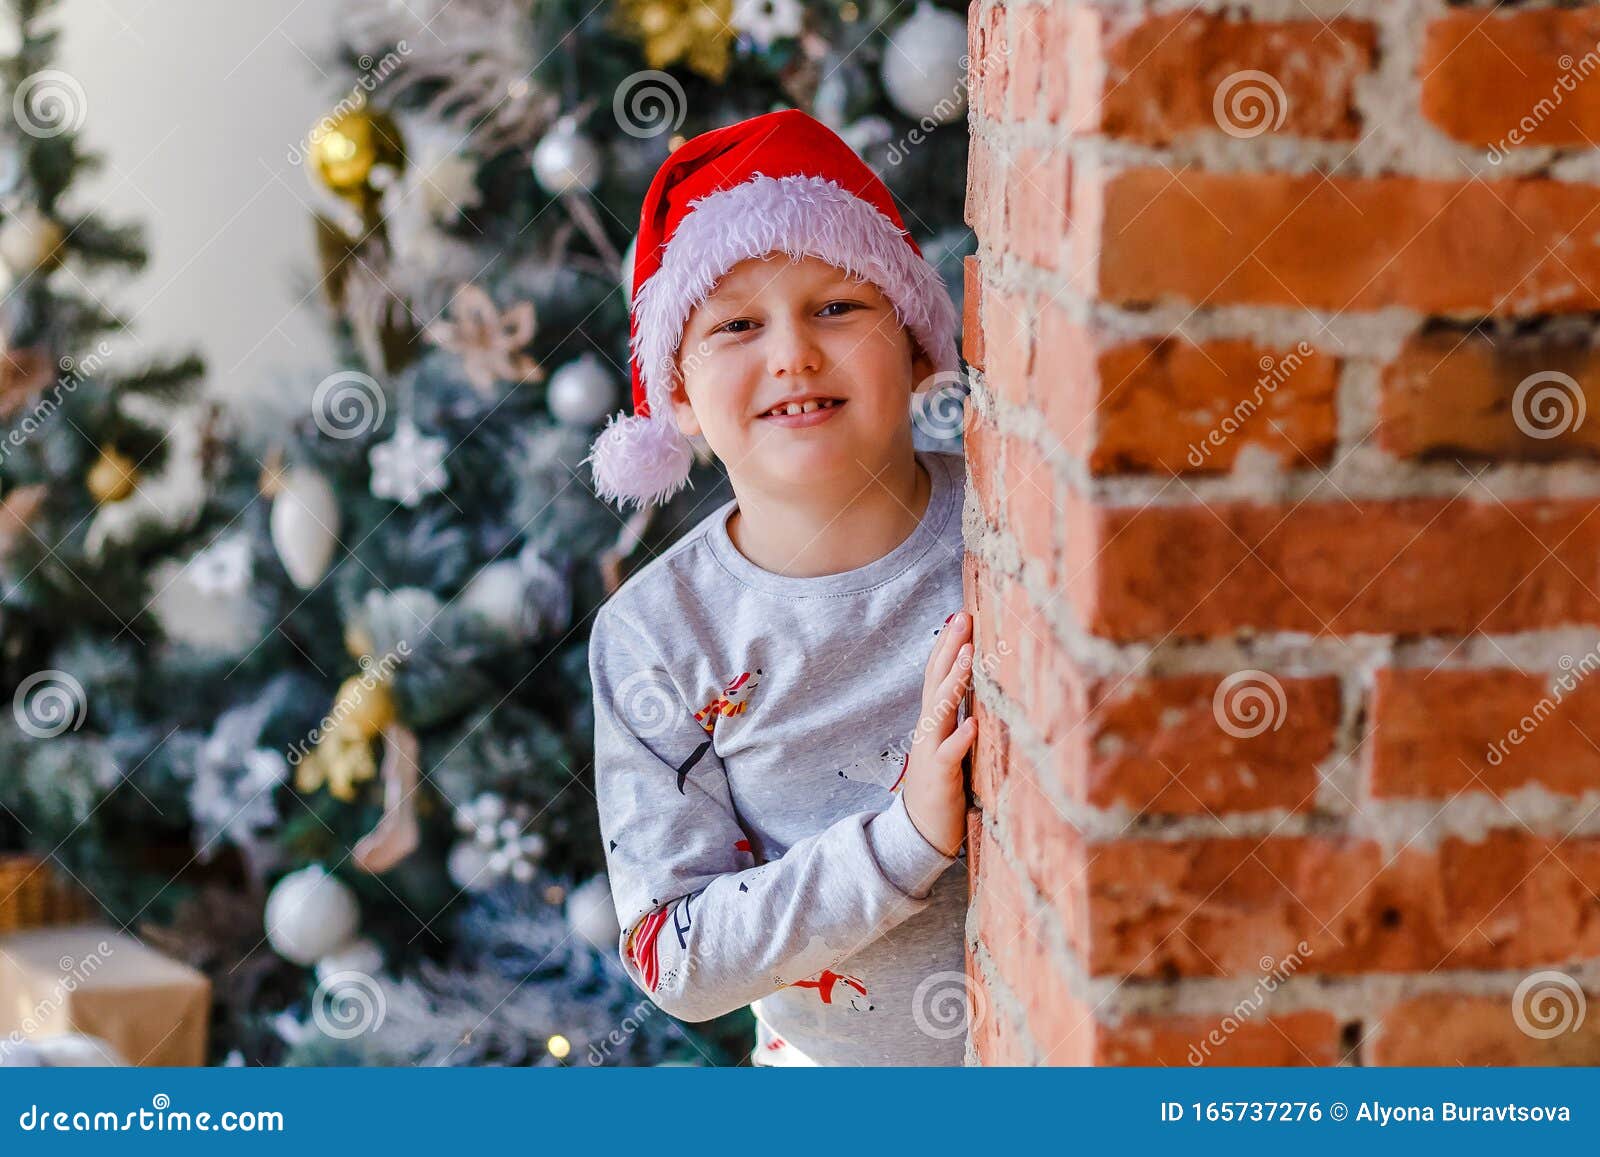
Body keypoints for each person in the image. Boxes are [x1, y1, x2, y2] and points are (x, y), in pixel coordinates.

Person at [584, 108, 976, 1066]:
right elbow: (670, 953)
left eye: (838, 306)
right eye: (736, 325)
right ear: (674, 394)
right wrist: (907, 837)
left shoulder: (1008, 516)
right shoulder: (656, 636)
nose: (793, 353)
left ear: (920, 343)